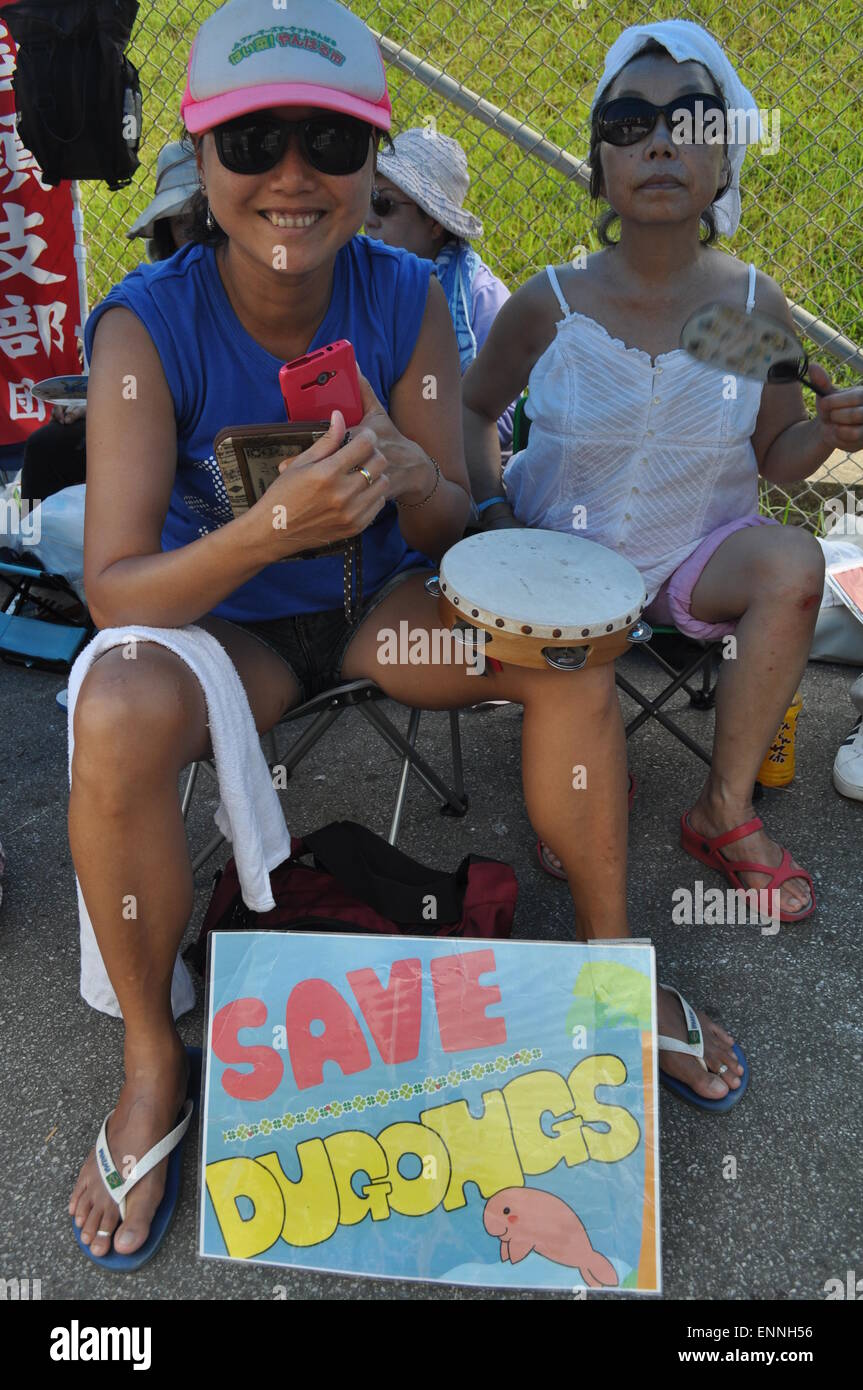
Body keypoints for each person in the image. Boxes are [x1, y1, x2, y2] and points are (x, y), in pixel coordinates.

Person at [67, 0, 743, 1268]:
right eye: (252, 138)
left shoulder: (404, 294)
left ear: (371, 159)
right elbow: (115, 595)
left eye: (328, 142)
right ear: (200, 156)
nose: (290, 176)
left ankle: (612, 974)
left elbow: (454, 522)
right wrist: (270, 528)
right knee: (115, 703)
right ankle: (155, 1063)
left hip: (384, 616)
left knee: (570, 652)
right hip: (228, 641)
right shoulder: (139, 329)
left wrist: (409, 474)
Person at [463, 18, 863, 911]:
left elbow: (777, 455)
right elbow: (472, 407)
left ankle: (722, 808)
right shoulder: (553, 301)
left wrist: (832, 434)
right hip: (561, 564)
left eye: (690, 124)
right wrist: (488, 510)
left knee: (794, 564)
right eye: (628, 124)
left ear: (722, 166)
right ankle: (581, 772)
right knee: (570, 649)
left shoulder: (750, 301)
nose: (658, 144)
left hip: (692, 550)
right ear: (597, 164)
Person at [18, 141, 199, 510]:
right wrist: (97, 400)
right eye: (183, 222)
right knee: (47, 448)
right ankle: (30, 557)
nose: (198, 236)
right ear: (166, 230)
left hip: (207, 427)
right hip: (148, 415)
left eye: (206, 219)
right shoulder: (150, 296)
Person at [366, 127, 515, 456]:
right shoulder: (361, 277)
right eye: (367, 198)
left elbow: (502, 417)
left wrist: (415, 429)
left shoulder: (480, 296)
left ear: (435, 223)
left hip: (456, 467)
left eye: (383, 204)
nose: (368, 218)